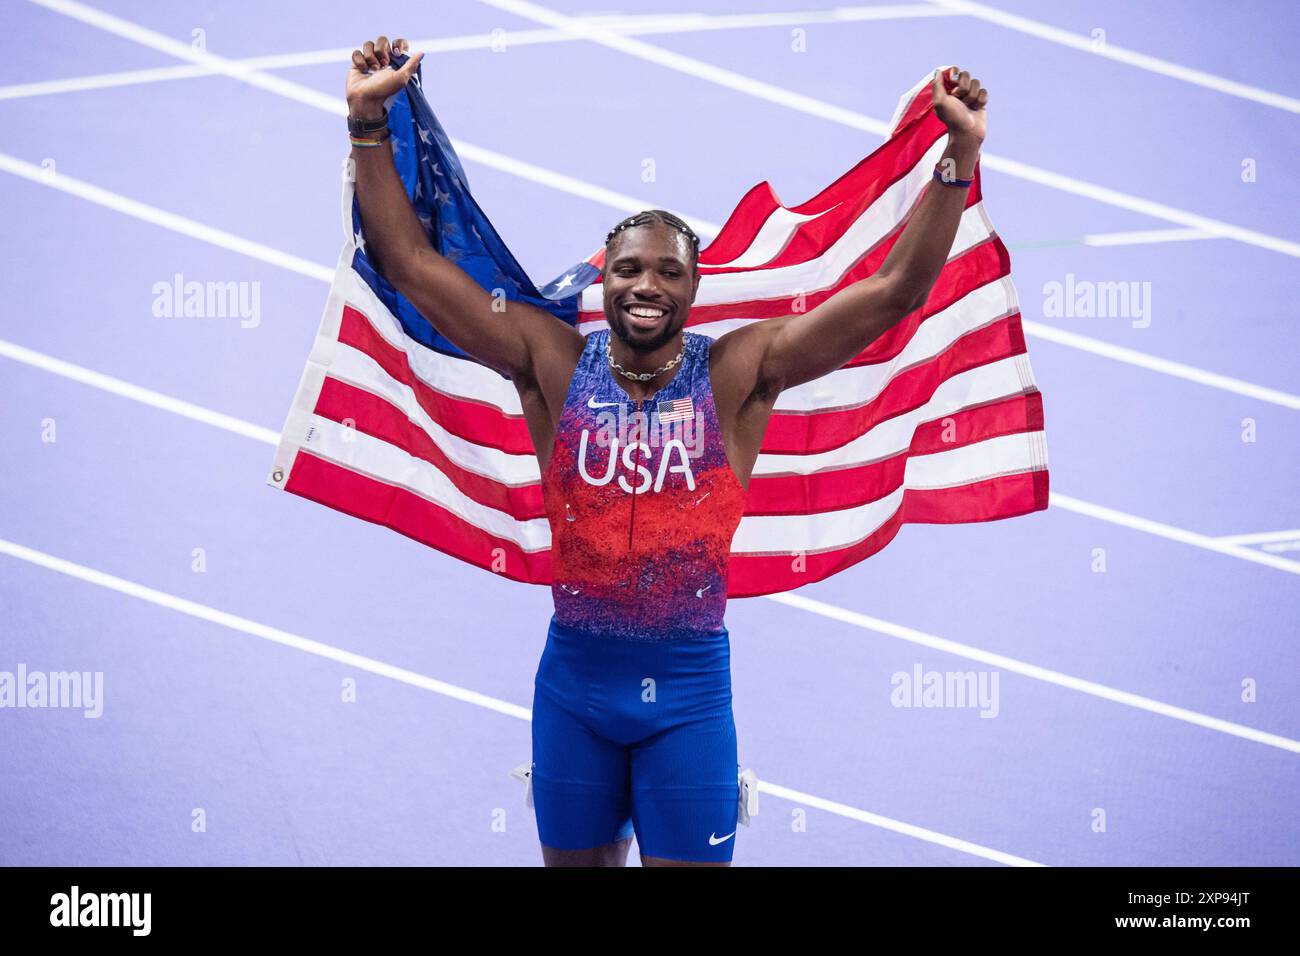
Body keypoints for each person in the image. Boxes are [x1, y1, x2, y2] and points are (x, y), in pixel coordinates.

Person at [345, 36, 989, 867]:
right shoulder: (549, 361)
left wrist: (958, 155)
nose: (646, 285)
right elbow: (411, 262)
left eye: (667, 272)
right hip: (573, 688)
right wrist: (367, 121)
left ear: (693, 288)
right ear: (602, 280)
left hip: (687, 698)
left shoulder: (739, 373)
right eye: (628, 269)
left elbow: (894, 294)